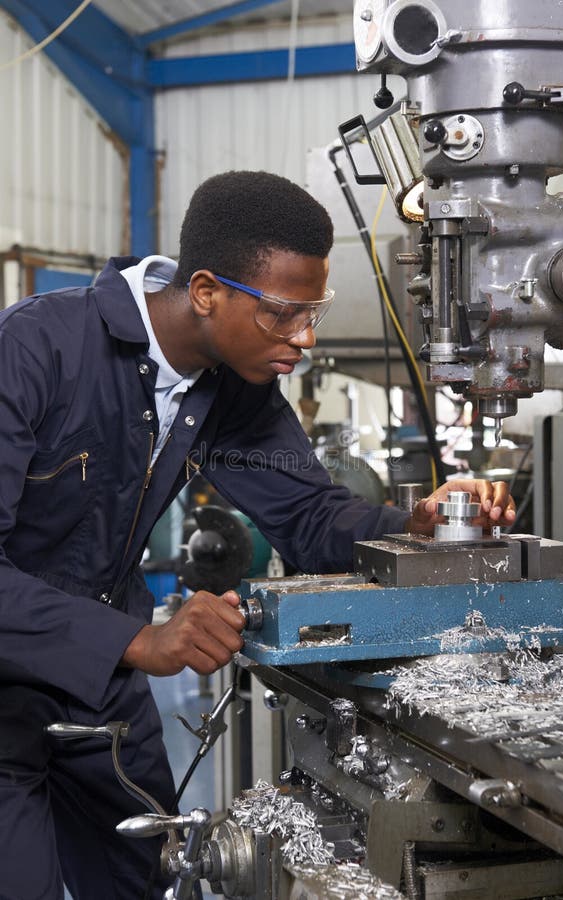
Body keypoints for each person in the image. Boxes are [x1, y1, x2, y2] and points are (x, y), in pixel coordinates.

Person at [0, 170, 515, 900]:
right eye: (283, 314)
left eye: (313, 313)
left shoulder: (233, 385)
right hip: (12, 681)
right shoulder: (36, 350)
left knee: (147, 875)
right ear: (207, 292)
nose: (303, 339)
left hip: (103, 695)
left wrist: (418, 525)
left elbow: (309, 518)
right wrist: (139, 640)